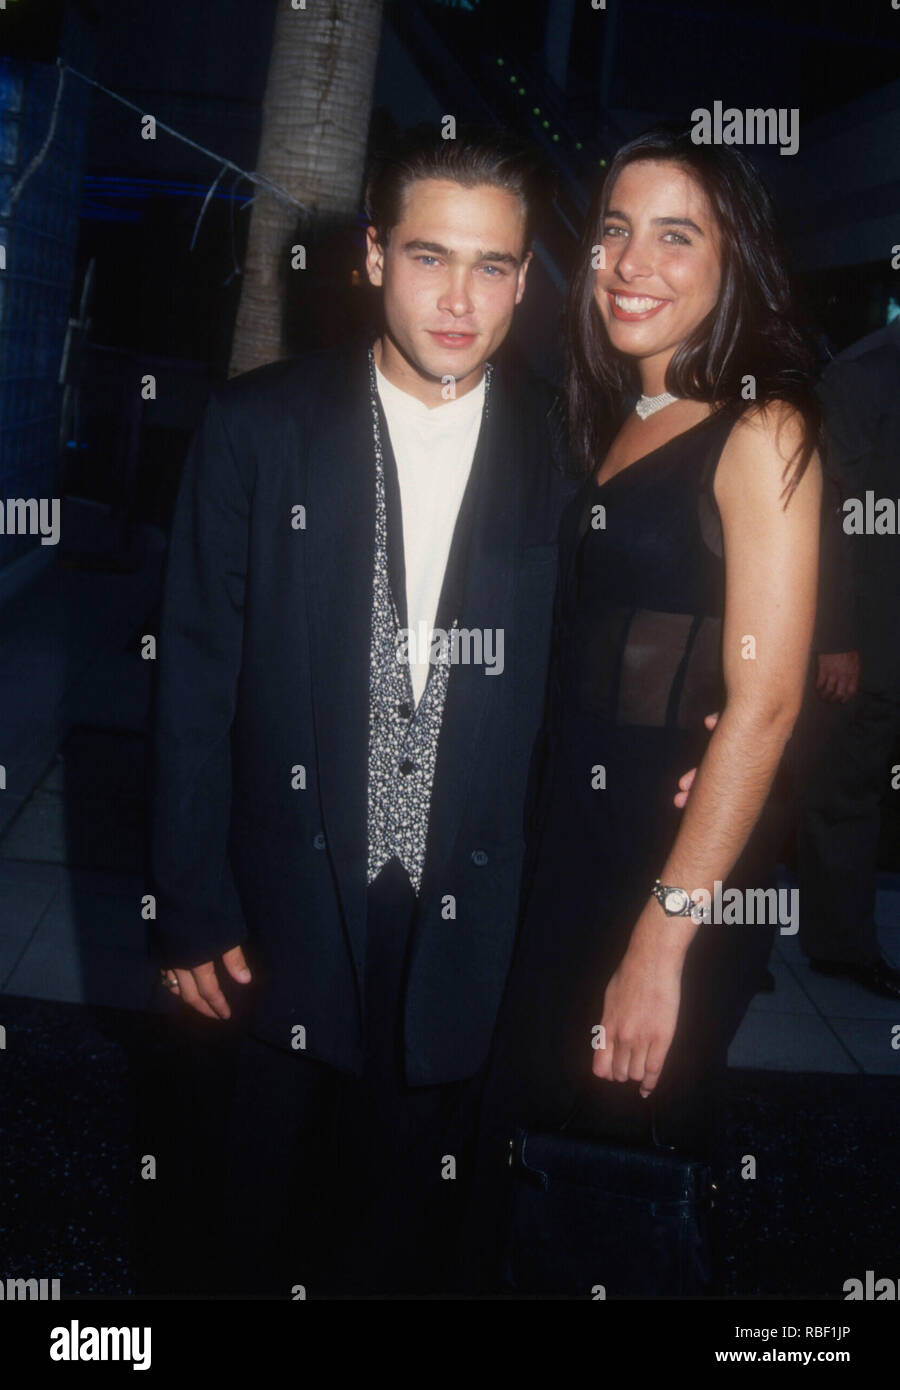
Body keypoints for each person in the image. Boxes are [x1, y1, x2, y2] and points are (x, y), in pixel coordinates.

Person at [148, 123, 580, 1298]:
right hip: (280, 905)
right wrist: (187, 902)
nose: (460, 298)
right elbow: (194, 675)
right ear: (373, 256)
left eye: (494, 266)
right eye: (430, 257)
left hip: (472, 917)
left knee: (416, 1237)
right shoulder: (257, 429)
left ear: (527, 274)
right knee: (249, 1211)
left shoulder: (561, 443)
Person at [465, 125, 823, 1295]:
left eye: (678, 235)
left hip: (657, 865)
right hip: (571, 840)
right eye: (616, 230)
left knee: (616, 1173)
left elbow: (769, 701)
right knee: (538, 1149)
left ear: (736, 261)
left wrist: (662, 943)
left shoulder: (761, 427)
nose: (630, 263)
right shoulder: (616, 415)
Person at [795, 309, 900, 998]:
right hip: (864, 635)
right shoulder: (866, 371)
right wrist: (835, 635)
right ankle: (836, 944)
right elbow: (825, 510)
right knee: (827, 785)